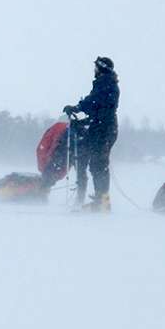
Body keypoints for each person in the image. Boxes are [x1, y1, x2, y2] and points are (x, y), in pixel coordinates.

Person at [64, 56, 120, 212]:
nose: (94, 70)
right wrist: (84, 120)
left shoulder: (106, 83)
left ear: (101, 68)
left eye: (96, 67)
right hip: (100, 127)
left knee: (99, 164)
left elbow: (94, 102)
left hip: (105, 129)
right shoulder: (105, 83)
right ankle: (98, 198)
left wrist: (77, 107)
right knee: (89, 158)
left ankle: (102, 202)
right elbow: (98, 108)